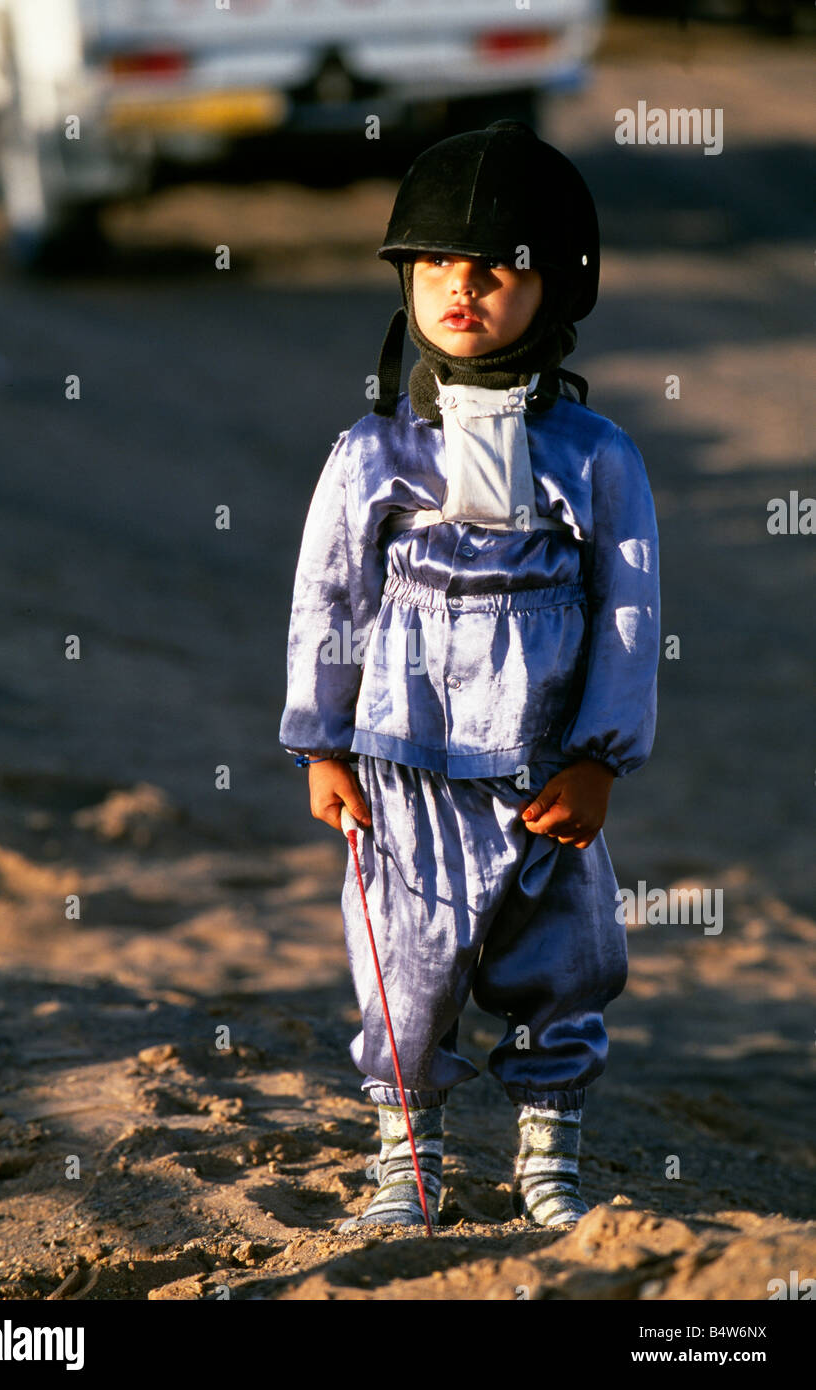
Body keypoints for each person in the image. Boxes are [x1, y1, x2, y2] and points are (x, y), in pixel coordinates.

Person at [279, 121, 660, 1231]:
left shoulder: (598, 456)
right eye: (439, 264)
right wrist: (322, 742)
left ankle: (549, 1157)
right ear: (405, 280)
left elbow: (630, 616)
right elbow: (328, 604)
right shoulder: (370, 455)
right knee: (404, 970)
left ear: (560, 290)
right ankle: (408, 1159)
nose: (466, 286)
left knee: (562, 968)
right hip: (403, 770)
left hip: (546, 773)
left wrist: (598, 760)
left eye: (502, 267)